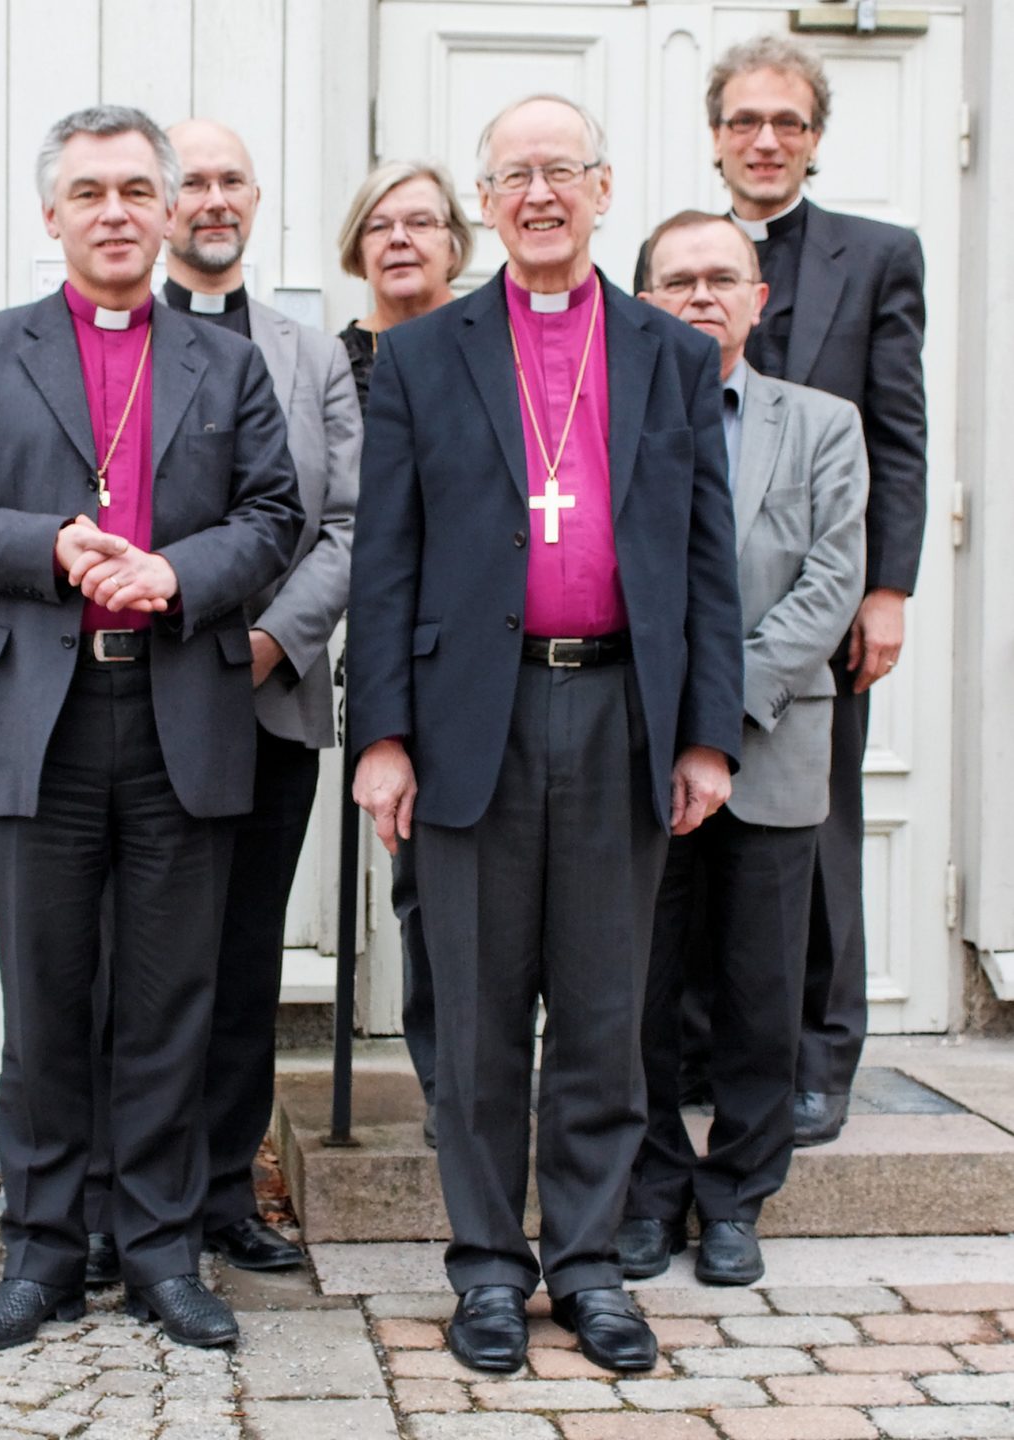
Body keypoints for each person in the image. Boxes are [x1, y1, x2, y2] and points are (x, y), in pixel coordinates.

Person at [0, 105, 303, 1351]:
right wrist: (48, 547)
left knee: (173, 996)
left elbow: (274, 514)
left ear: (170, 211)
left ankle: (165, 1252)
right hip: (36, 718)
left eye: (137, 190)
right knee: (47, 1000)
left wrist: (175, 573)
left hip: (178, 700)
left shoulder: (223, 363)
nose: (115, 212)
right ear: (50, 215)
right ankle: (44, 1254)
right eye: (90, 192)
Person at [348, 95, 742, 1375]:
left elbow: (703, 562)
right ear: (487, 196)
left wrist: (704, 736)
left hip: (620, 708)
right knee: (469, 1018)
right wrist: (382, 736)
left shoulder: (670, 355)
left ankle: (584, 1266)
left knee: (599, 1012)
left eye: (557, 171)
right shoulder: (420, 358)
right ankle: (482, 1270)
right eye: (510, 175)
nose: (535, 195)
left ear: (602, 188)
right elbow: (385, 565)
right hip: (476, 715)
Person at [80, 117, 360, 1280]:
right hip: (124, 705)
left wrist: (261, 640)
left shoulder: (310, 355)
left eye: (227, 178)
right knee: (116, 961)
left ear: (256, 197)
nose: (207, 198)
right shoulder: (92, 342)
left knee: (240, 961)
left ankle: (215, 1196)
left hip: (258, 694)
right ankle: (104, 1198)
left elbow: (344, 523)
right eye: (185, 179)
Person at [637, 35, 927, 1145]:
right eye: (744, 121)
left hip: (823, 586)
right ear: (714, 136)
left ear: (812, 138)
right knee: (692, 839)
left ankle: (819, 1049)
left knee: (812, 825)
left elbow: (897, 429)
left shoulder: (877, 252)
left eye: (787, 122)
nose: (765, 140)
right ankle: (704, 1050)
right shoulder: (681, 257)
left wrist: (885, 586)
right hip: (698, 598)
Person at [620, 211, 867, 1286]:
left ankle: (734, 1201)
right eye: (676, 282)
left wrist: (721, 710)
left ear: (757, 299)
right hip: (635, 751)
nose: (700, 297)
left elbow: (829, 584)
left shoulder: (823, 424)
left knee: (759, 995)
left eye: (722, 278)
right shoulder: (613, 422)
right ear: (643, 304)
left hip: (768, 750)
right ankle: (649, 1192)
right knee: (632, 991)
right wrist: (671, 714)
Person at [334, 160, 474, 1146]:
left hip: (472, 652)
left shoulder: (493, 351)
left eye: (420, 222)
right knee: (426, 891)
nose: (399, 239)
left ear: (454, 244)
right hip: (364, 652)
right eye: (378, 223)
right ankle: (447, 1085)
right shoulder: (322, 365)